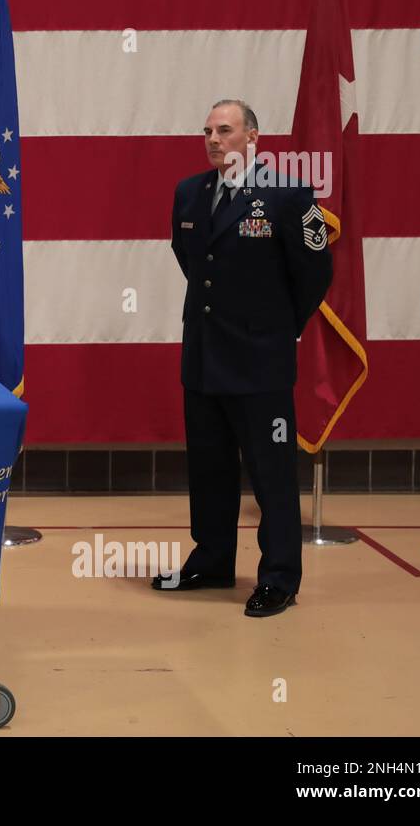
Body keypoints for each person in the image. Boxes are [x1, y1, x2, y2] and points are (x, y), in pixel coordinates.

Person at [153, 99, 332, 617]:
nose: (213, 139)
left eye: (225, 130)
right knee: (209, 467)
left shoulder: (288, 195)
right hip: (205, 354)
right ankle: (211, 560)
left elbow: (315, 271)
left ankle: (279, 576)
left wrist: (277, 328)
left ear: (253, 136)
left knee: (271, 472)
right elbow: (192, 260)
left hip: (259, 362)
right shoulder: (190, 193)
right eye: (208, 130)